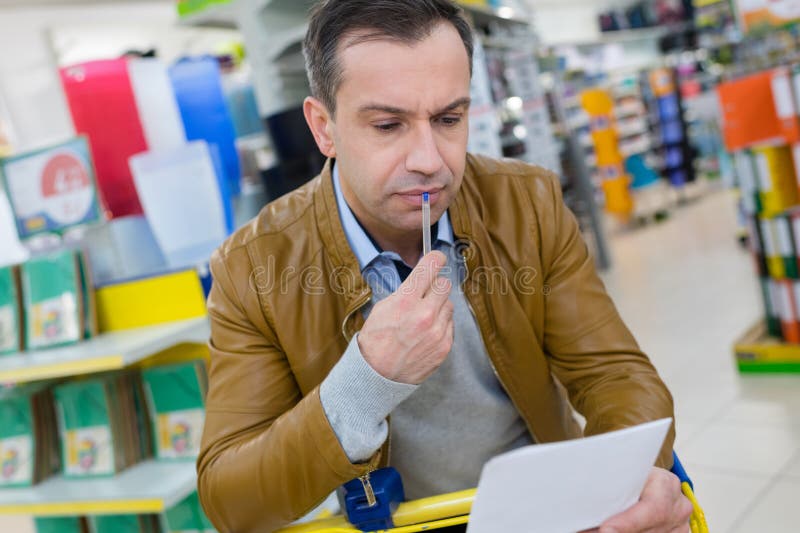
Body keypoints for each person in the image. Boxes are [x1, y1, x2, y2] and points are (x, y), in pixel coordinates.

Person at [197, 1, 693, 532]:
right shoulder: (253, 268)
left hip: (551, 512)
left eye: (449, 118)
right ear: (324, 128)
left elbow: (615, 375)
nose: (429, 160)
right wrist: (366, 381)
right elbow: (232, 500)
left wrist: (620, 484)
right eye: (388, 125)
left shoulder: (528, 203)